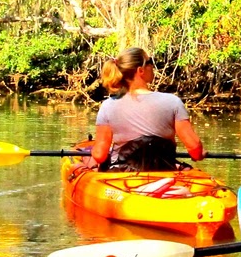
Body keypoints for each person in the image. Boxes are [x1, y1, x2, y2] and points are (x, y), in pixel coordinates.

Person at [78, 47, 206, 172]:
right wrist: (199, 154)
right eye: (150, 62)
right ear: (140, 70)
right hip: (164, 170)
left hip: (123, 174)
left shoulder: (108, 106)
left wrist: (92, 151)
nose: (153, 66)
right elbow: (194, 149)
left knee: (78, 167)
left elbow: (99, 155)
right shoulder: (173, 102)